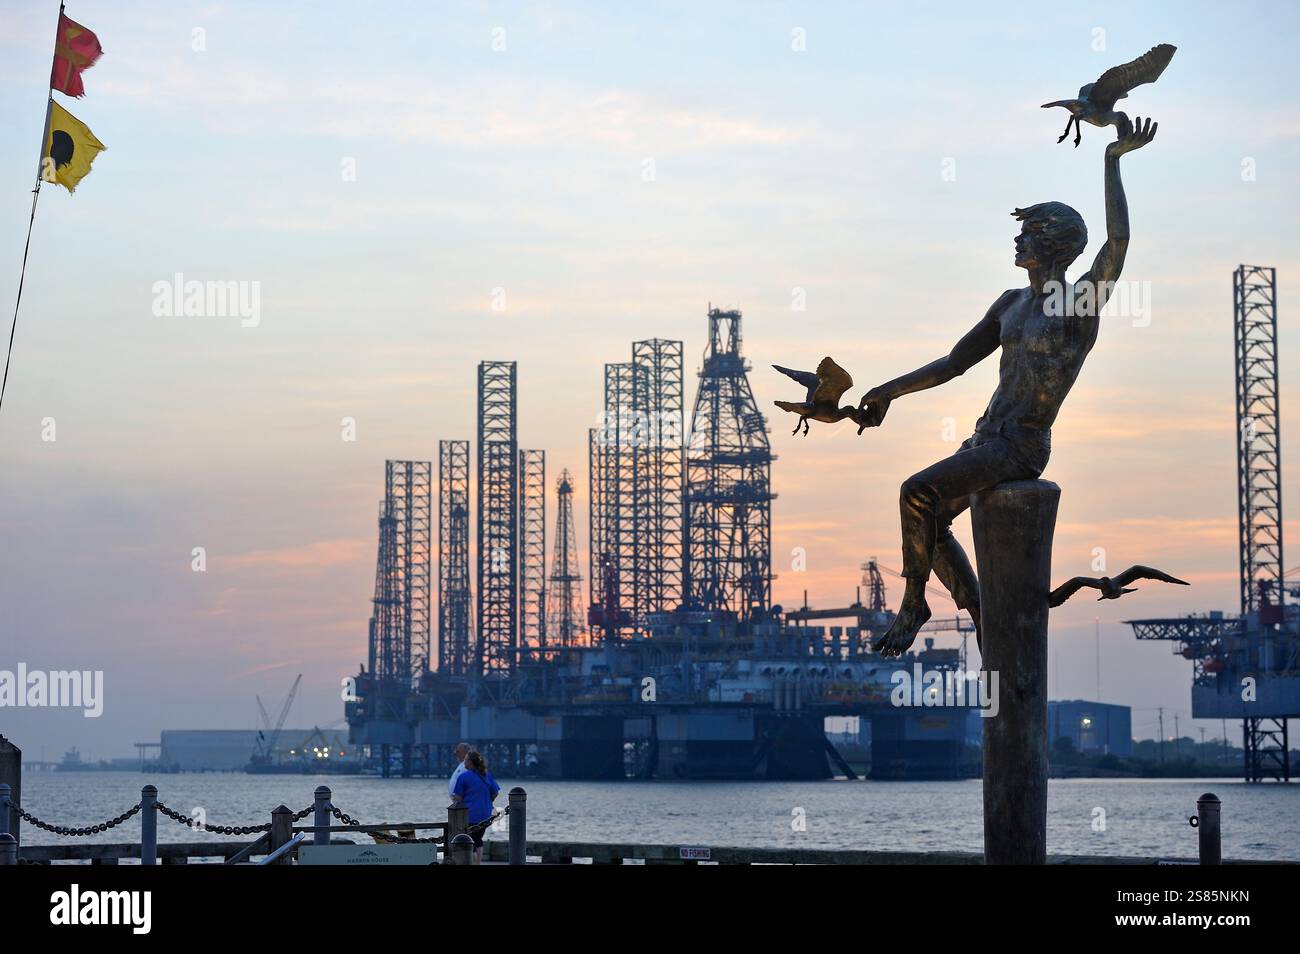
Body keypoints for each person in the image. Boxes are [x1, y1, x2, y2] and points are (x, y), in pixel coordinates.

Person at [854, 117, 1159, 658]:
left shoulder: (1077, 306)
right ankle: (980, 613)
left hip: (1019, 445)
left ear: (1050, 245)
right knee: (929, 518)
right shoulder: (1010, 303)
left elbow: (1118, 241)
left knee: (915, 491)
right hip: (984, 438)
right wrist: (887, 391)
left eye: (1028, 234)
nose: (1016, 240)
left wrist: (1112, 161)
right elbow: (953, 363)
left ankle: (913, 607)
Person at [451, 750, 500, 865]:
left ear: (471, 762)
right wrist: (487, 801)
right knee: (478, 840)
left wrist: (454, 798)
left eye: (466, 760)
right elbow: (495, 793)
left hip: (469, 815)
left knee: (469, 841)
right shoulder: (487, 775)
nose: (464, 762)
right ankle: (478, 863)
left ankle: (472, 863)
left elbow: (458, 797)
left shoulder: (463, 777)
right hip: (485, 814)